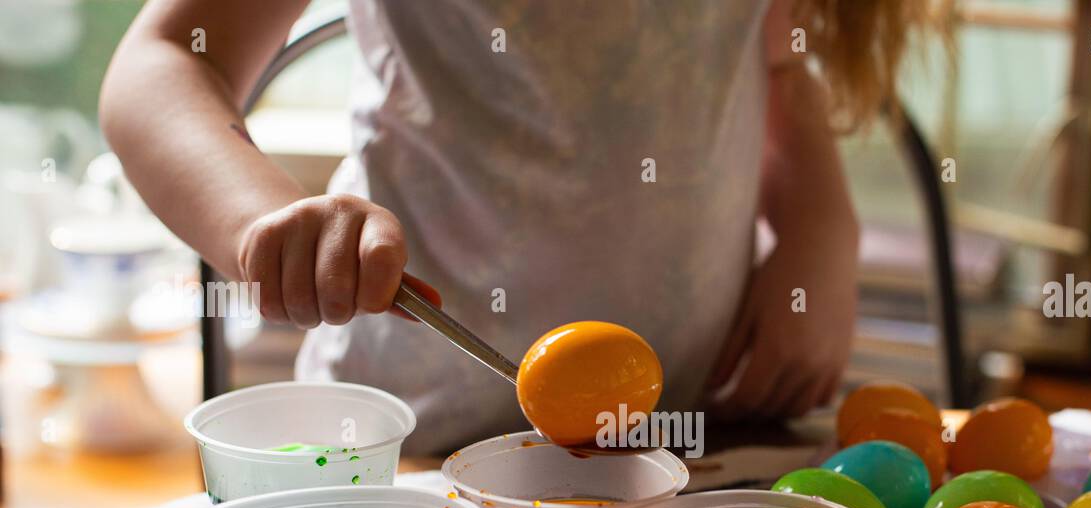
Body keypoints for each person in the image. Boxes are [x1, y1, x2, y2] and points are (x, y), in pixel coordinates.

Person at [102, 0, 925, 452]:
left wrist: (823, 233)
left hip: (679, 445)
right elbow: (169, 57)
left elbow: (779, 66)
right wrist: (261, 221)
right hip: (408, 451)